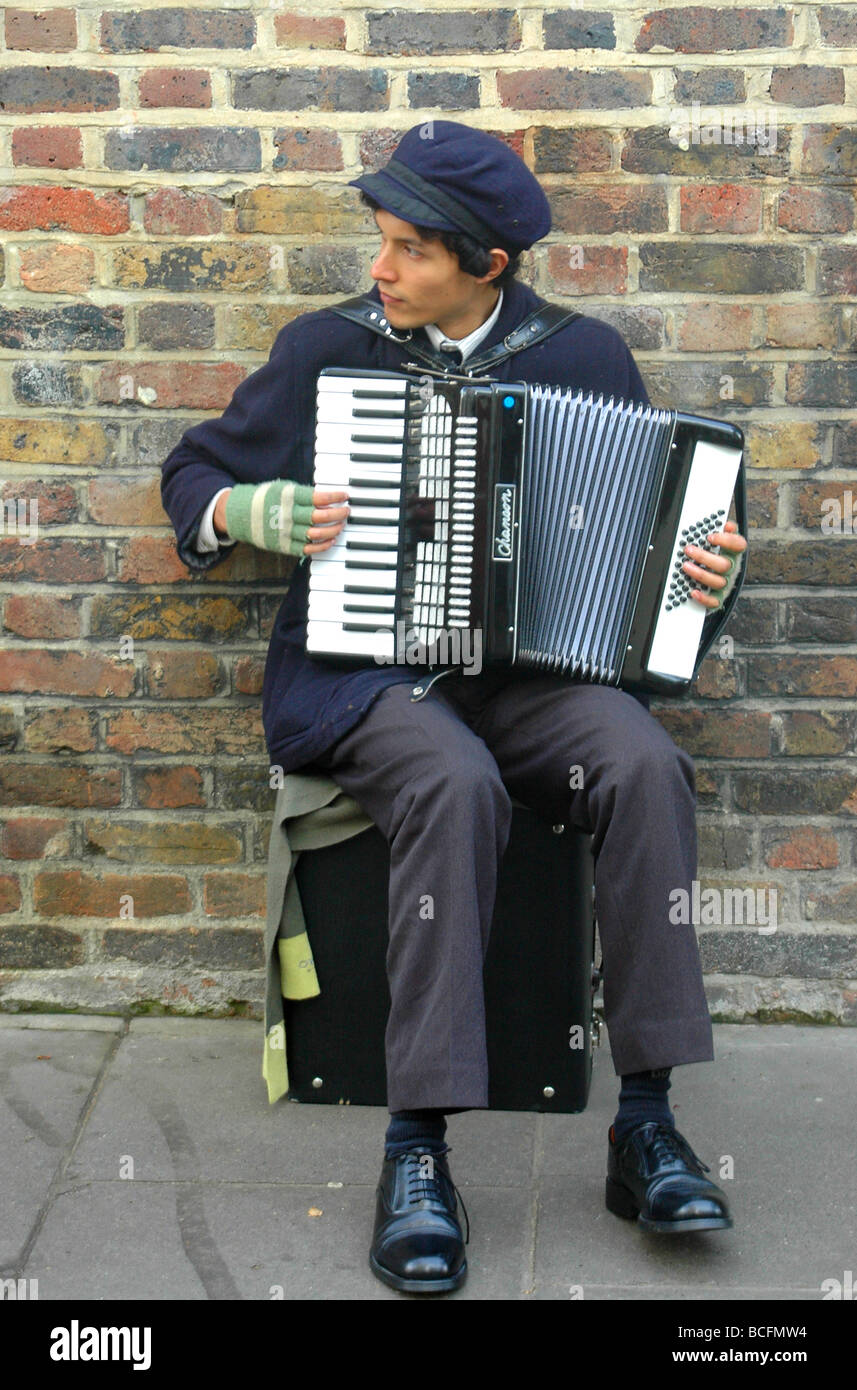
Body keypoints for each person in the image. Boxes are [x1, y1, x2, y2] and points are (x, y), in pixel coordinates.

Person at [160, 121, 747, 1296]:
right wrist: (243, 514)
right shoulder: (325, 351)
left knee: (640, 764)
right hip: (367, 677)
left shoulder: (580, 361)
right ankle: (415, 1148)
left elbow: (656, 553)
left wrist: (709, 581)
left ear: (485, 264)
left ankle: (644, 1124)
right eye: (379, 244)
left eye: (408, 251)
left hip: (532, 681)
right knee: (450, 777)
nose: (379, 270)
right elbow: (193, 473)